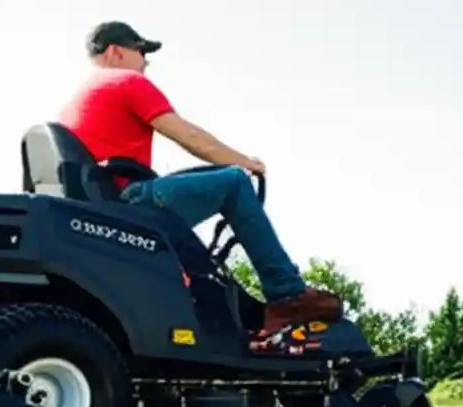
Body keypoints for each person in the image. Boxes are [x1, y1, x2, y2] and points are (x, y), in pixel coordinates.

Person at [58, 21, 343, 331]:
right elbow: (191, 138)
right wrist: (246, 162)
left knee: (217, 178)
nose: (145, 62)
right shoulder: (126, 82)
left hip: (103, 202)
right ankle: (288, 296)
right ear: (116, 51)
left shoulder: (80, 97)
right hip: (127, 201)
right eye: (141, 52)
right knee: (233, 181)